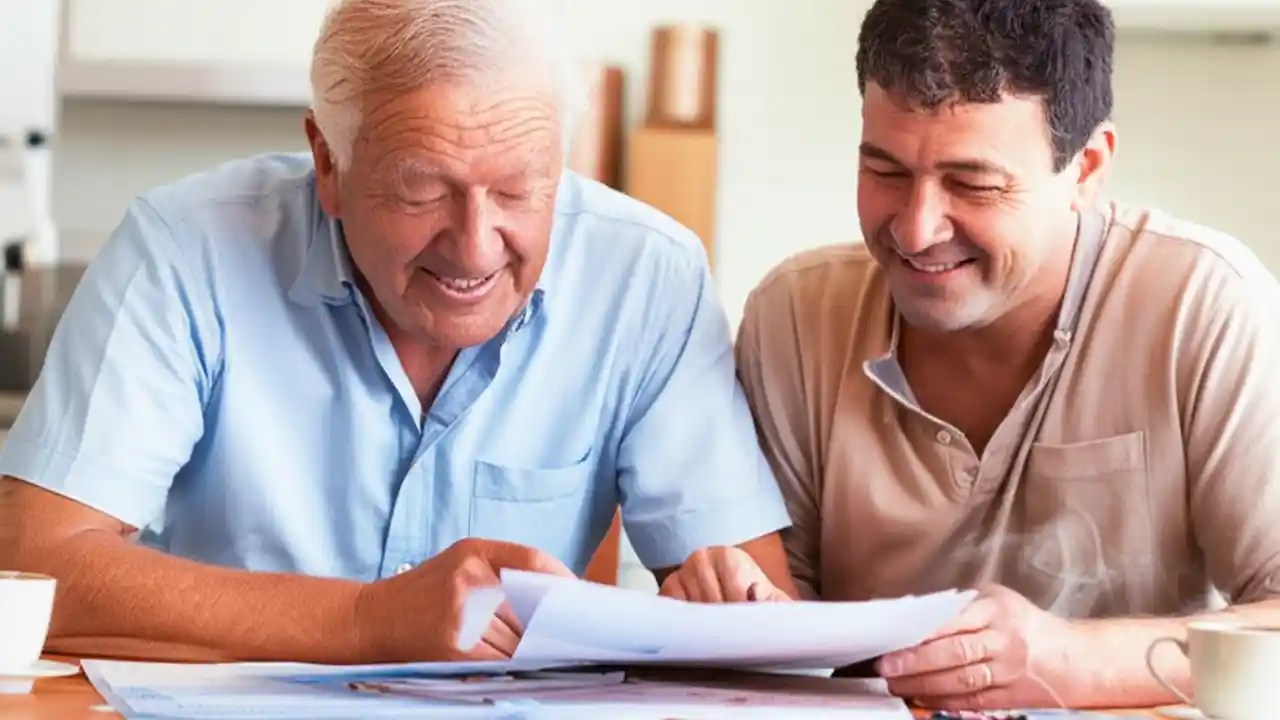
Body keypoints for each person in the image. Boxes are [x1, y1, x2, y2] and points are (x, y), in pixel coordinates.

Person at [0, 0, 796, 665]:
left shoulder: (647, 276)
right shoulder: (186, 250)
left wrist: (730, 610)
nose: (476, 246)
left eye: (521, 189)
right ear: (328, 161)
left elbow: (757, 615)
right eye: (422, 192)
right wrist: (365, 621)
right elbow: (29, 566)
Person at [729, 0, 1280, 712]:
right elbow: (769, 635)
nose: (917, 229)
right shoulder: (793, 316)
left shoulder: (1205, 306)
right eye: (885, 170)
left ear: (1087, 166)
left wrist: (1076, 661)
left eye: (973, 184)